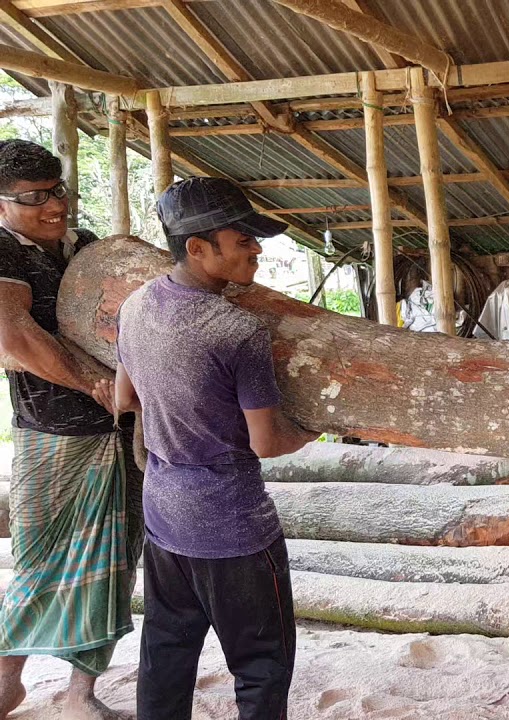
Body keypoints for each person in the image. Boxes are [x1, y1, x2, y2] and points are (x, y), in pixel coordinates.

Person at [113, 177, 315, 720]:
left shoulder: (134, 306)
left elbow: (125, 397)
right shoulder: (237, 330)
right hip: (232, 524)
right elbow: (268, 443)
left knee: (167, 649)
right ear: (198, 249)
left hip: (164, 511)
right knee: (262, 663)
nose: (256, 248)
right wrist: (311, 429)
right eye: (243, 239)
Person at [0, 139, 144, 720]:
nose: (54, 204)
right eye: (35, 198)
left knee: (114, 562)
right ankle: (8, 680)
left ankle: (82, 693)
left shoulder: (88, 248)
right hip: (51, 433)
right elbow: (14, 339)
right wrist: (92, 384)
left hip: (121, 429)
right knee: (40, 560)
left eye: (57, 190)